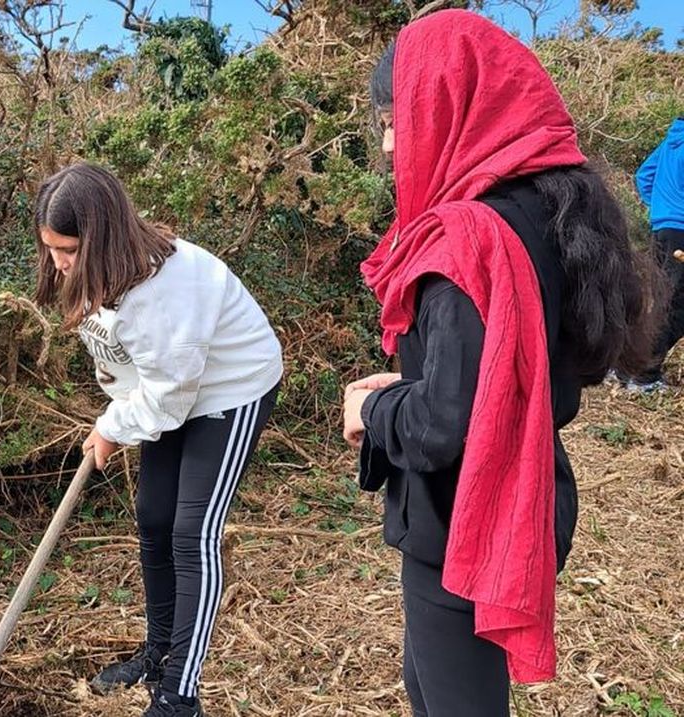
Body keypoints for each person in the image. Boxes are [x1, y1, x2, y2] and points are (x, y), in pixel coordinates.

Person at [342, 10, 653, 717]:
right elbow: (526, 376)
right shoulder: (548, 214)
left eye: (397, 118)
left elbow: (441, 426)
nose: (390, 144)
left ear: (444, 106)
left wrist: (373, 407)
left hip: (464, 519)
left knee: (452, 701)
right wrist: (417, 382)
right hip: (525, 492)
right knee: (438, 687)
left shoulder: (467, 246)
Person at [32, 162, 283, 717]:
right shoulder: (104, 273)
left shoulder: (163, 289)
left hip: (230, 390)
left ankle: (178, 694)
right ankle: (159, 651)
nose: (59, 262)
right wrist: (119, 413)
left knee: (192, 532)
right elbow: (138, 370)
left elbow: (170, 393)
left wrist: (112, 427)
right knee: (153, 517)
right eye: (51, 248)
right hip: (174, 389)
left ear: (99, 237)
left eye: (67, 249)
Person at [619, 118, 684, 391]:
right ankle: (644, 375)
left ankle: (626, 368)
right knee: (677, 307)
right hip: (680, 231)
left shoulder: (674, 139)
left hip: (663, 228)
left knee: (661, 303)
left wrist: (659, 208)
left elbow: (645, 175)